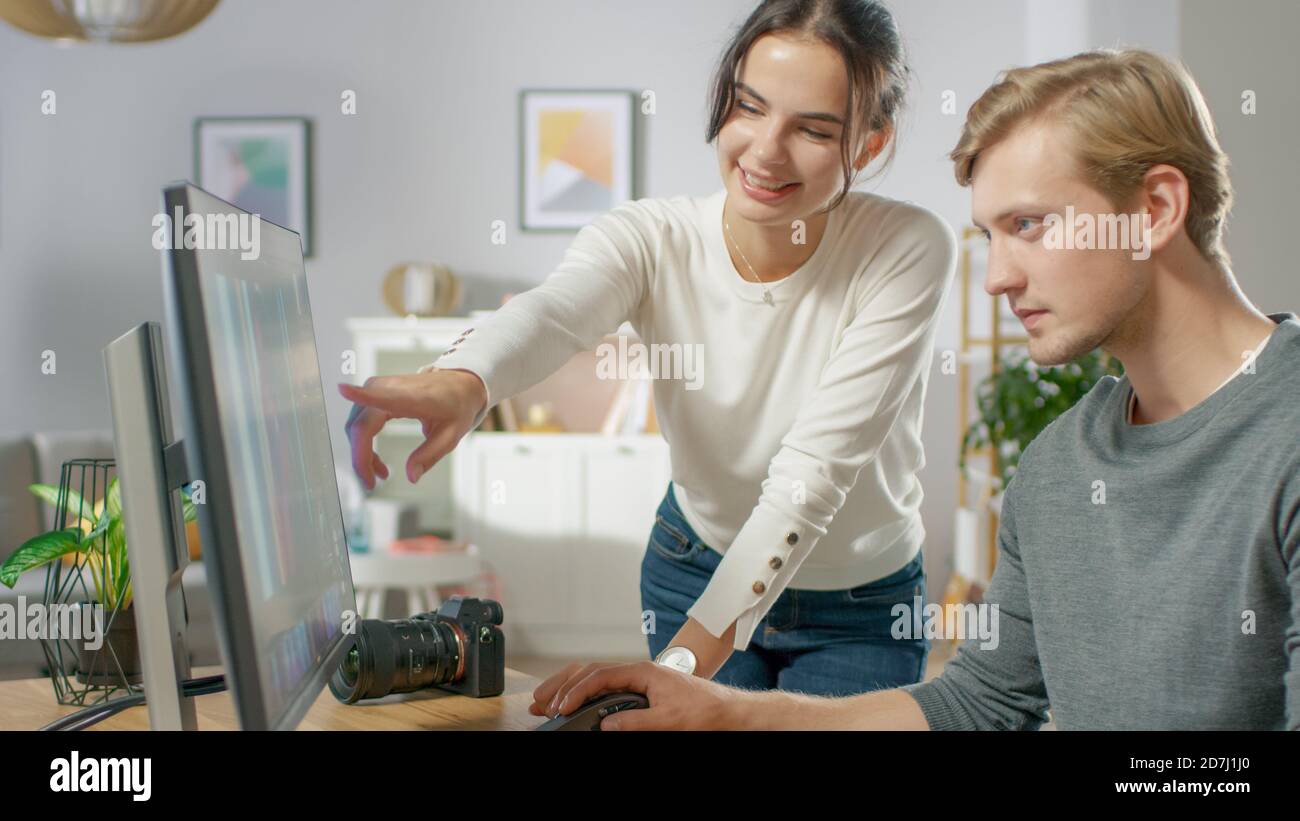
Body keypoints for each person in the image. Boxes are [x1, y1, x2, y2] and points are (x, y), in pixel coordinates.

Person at [537, 48, 1300, 730]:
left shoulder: (1285, 436)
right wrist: (727, 714)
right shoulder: (1058, 467)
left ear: (1155, 209)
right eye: (990, 237)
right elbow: (980, 702)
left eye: (1028, 225)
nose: (998, 276)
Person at [340, 0, 957, 700]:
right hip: (692, 561)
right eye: (748, 107)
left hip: (861, 607)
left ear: (871, 144)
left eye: (813, 130)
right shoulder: (650, 236)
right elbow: (555, 312)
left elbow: (811, 477)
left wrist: (681, 666)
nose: (764, 149)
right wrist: (463, 379)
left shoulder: (907, 248)